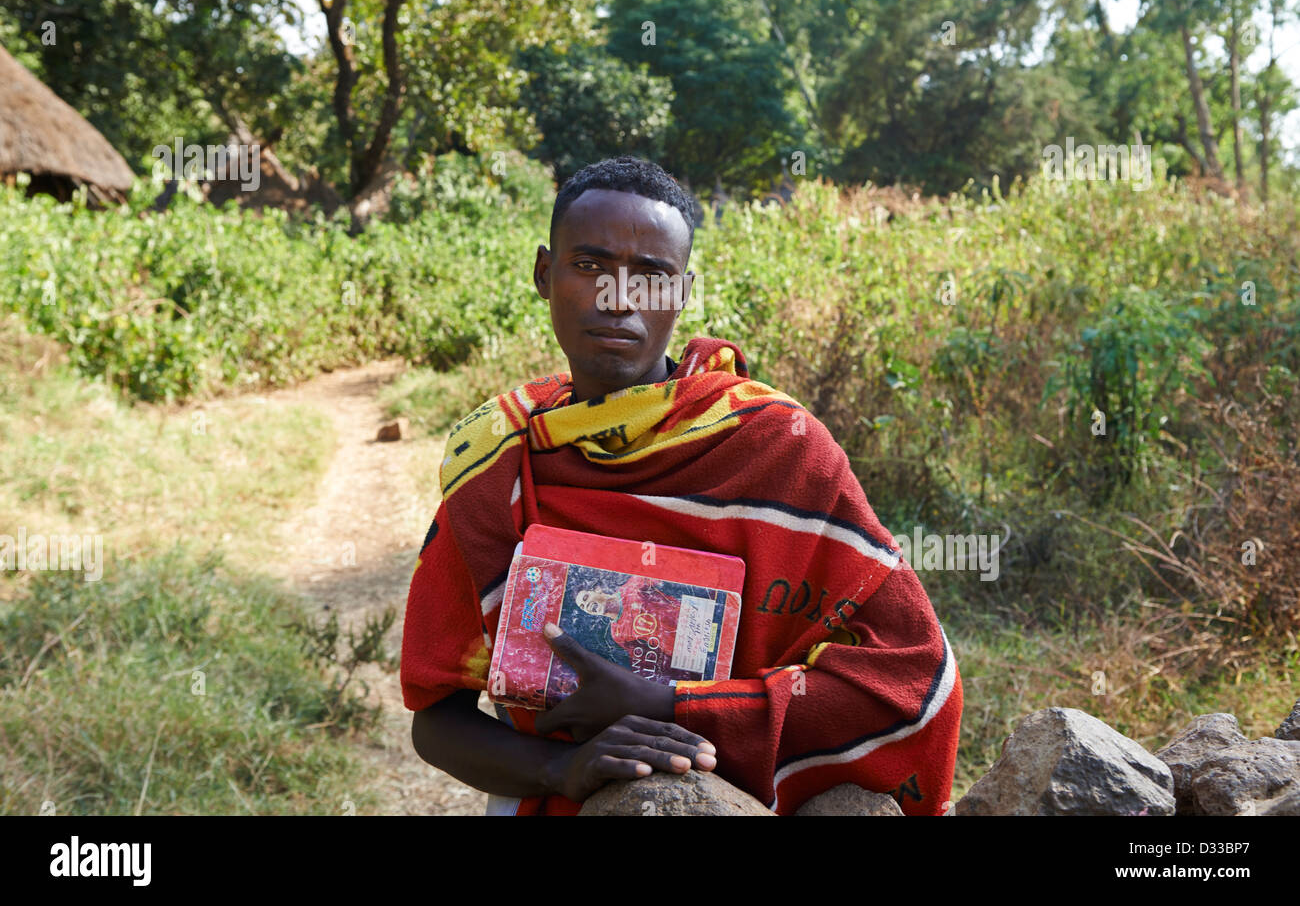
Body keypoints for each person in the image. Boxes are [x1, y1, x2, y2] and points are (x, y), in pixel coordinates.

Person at [401, 155, 962, 816]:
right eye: (589, 265)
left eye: (652, 275)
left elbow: (916, 677)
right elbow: (436, 716)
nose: (619, 298)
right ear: (544, 274)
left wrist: (673, 706)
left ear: (684, 291)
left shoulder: (778, 445)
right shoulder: (498, 461)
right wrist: (561, 765)